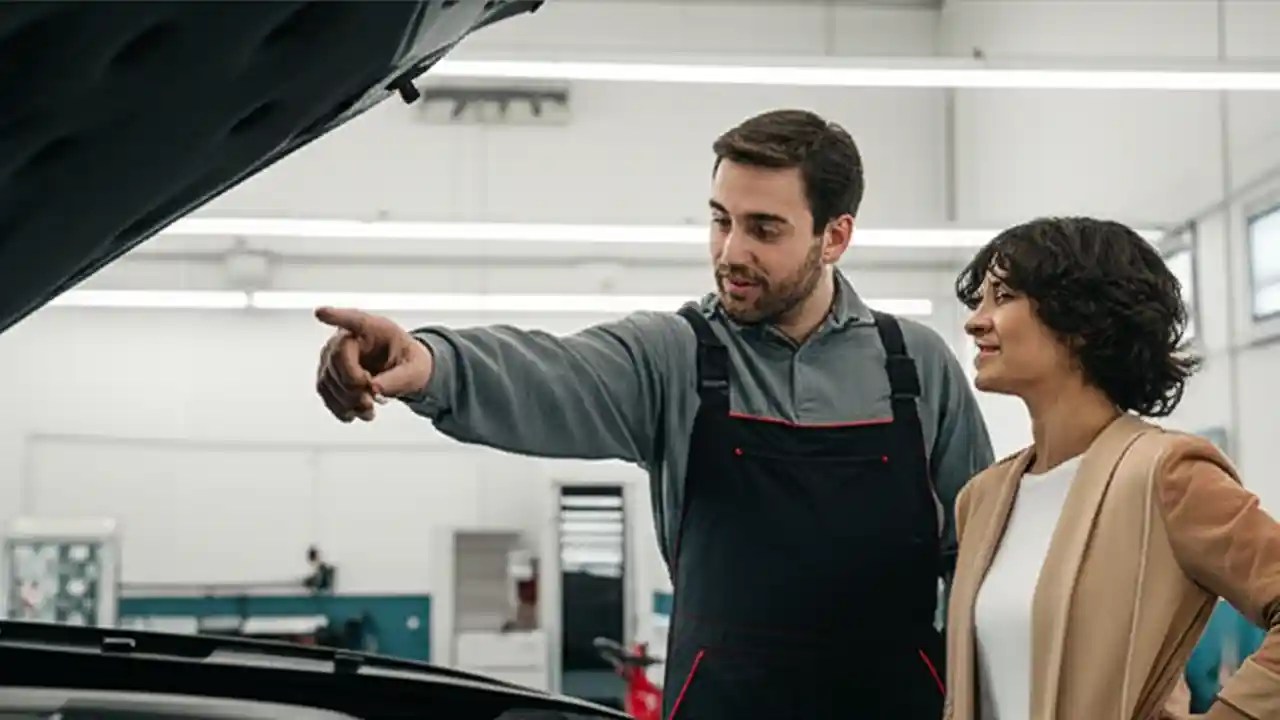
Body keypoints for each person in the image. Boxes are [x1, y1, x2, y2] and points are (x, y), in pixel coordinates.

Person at [314, 108, 995, 718]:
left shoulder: (917, 367)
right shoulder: (675, 358)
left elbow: (981, 557)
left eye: (764, 229)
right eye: (721, 219)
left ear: (835, 236)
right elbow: (552, 371)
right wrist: (428, 361)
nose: (731, 252)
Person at [944, 217, 1280, 720]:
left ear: (1081, 321)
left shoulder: (1166, 475)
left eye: (1003, 295)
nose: (975, 320)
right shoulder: (982, 499)